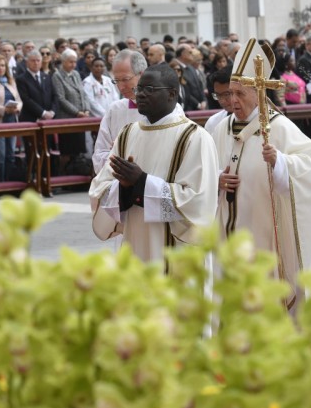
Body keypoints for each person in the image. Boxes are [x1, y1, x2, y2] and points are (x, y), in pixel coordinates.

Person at [211, 44, 311, 310]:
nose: (233, 101)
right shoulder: (221, 129)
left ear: (259, 92)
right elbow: (204, 171)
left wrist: (281, 163)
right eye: (230, 94)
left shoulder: (280, 128)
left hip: (264, 234)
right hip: (227, 232)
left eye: (240, 93)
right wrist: (216, 179)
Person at [89, 63, 219, 263]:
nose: (140, 94)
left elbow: (200, 202)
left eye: (149, 90)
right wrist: (122, 189)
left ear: (172, 94)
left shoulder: (195, 137)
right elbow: (100, 188)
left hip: (178, 253)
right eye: (139, 89)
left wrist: (141, 182)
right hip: (135, 242)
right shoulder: (127, 134)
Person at [92, 49, 146, 173]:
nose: (120, 86)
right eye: (116, 80)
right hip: (117, 183)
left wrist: (121, 150)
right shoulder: (115, 109)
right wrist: (119, 154)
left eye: (125, 79)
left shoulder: (167, 108)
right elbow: (99, 156)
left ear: (142, 75)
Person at [0, 54, 23, 182]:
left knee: (10, 155)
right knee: (0, 156)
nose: (0, 68)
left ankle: (8, 184)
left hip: (12, 120)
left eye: (3, 65)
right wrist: (4, 109)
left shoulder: (11, 81)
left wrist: (17, 107)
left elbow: (18, 99)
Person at [52, 49, 91, 159]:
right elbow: (61, 98)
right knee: (68, 150)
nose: (74, 65)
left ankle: (78, 168)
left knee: (79, 150)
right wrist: (77, 112)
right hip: (67, 118)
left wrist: (86, 109)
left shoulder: (76, 74)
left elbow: (83, 93)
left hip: (81, 118)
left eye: (75, 62)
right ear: (63, 61)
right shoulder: (57, 75)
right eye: (71, 62)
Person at [203, 66, 234, 135]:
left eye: (226, 94)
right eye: (218, 95)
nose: (222, 101)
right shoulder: (213, 122)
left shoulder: (260, 120)